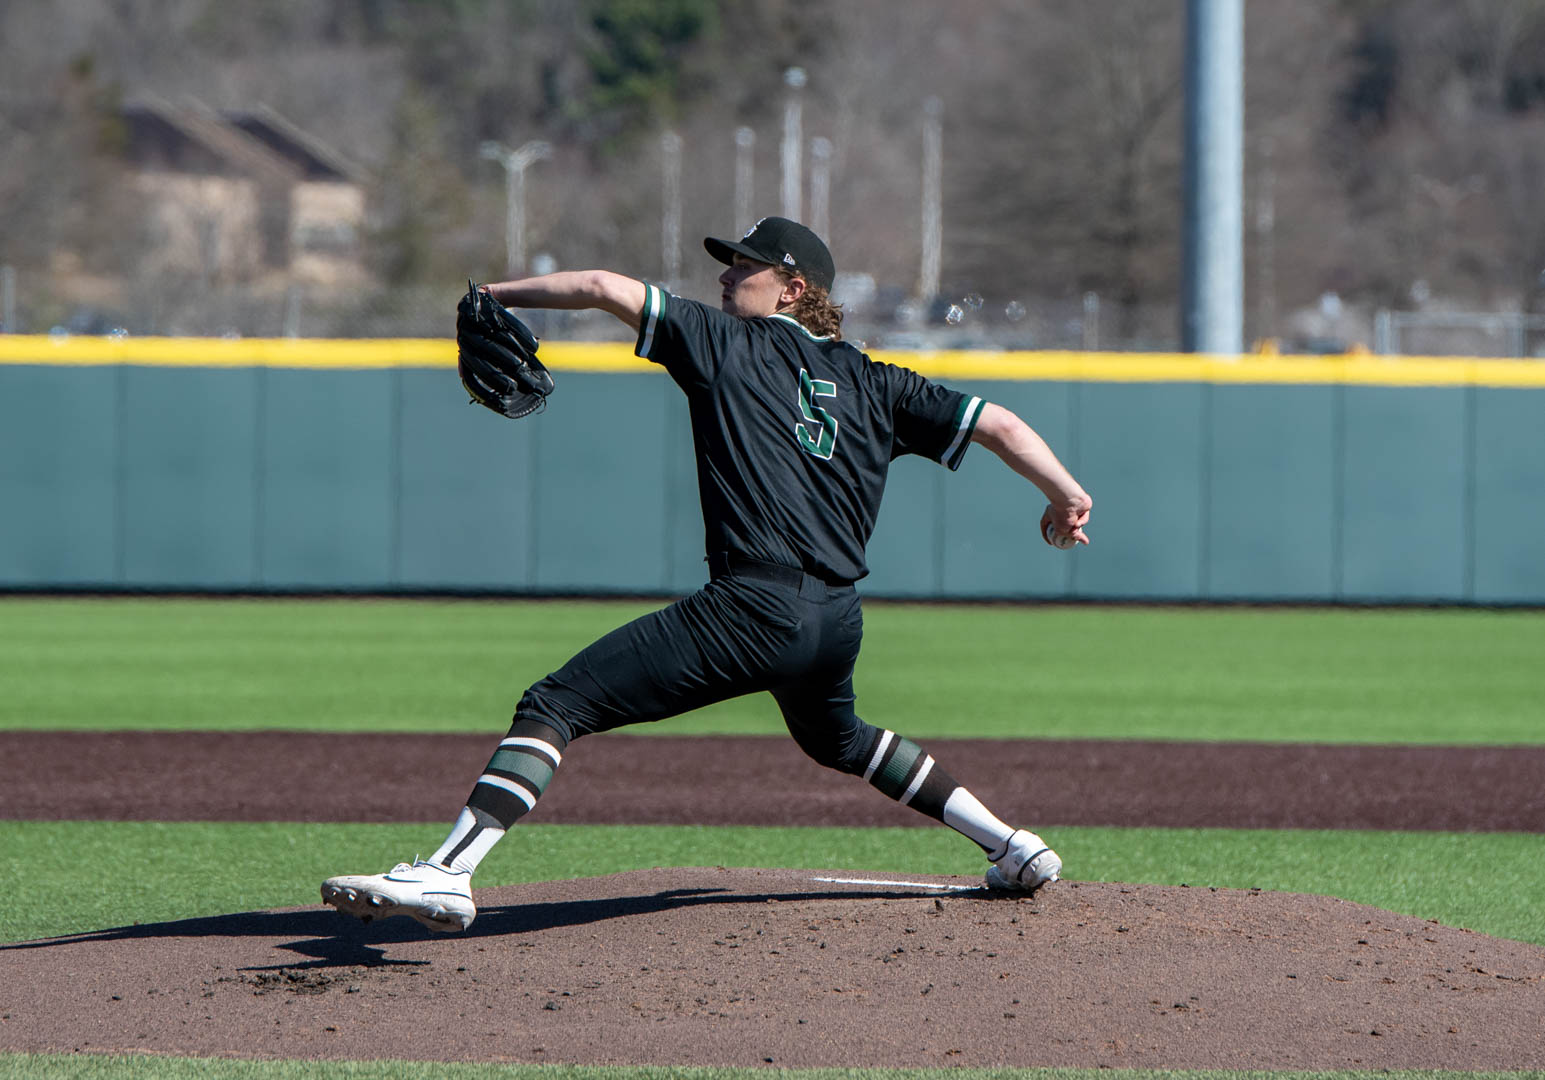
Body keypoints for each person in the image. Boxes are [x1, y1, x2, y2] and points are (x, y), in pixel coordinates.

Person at [322, 216, 1093, 932]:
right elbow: (999, 424)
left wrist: (493, 294)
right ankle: (1009, 845)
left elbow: (599, 288)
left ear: (793, 289)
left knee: (557, 700)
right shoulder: (879, 383)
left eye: (745, 267)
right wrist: (1065, 495)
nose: (727, 277)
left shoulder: (724, 342)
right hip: (833, 619)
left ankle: (448, 872)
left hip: (752, 604)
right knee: (841, 740)